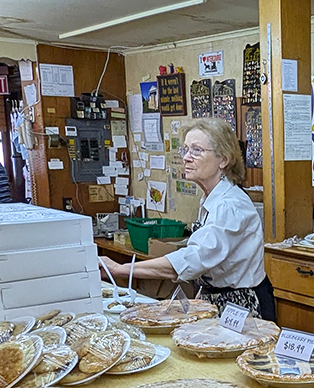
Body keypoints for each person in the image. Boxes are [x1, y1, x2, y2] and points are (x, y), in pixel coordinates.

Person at [101, 118, 276, 321]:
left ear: (224, 160)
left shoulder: (230, 205)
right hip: (218, 297)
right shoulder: (210, 198)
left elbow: (195, 259)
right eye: (185, 149)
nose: (186, 158)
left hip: (244, 304)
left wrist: (120, 269)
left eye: (197, 150)